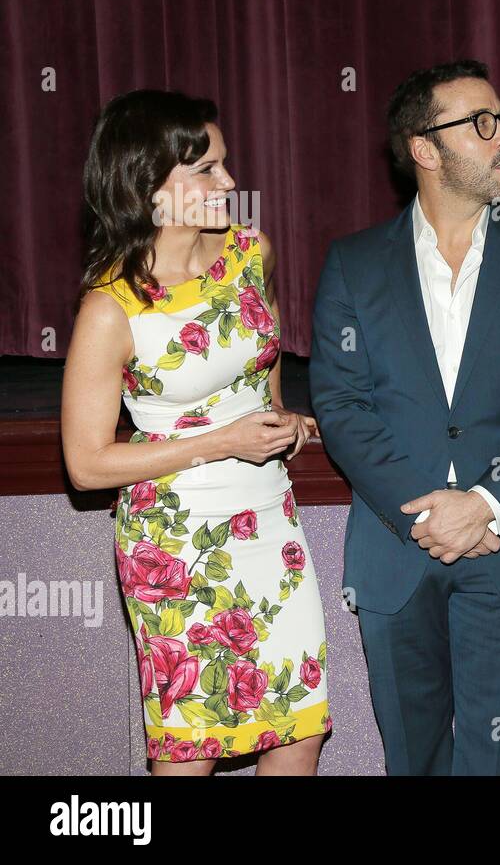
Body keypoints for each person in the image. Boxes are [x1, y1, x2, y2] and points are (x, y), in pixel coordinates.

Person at [310, 60, 500, 776]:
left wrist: (486, 506)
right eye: (482, 123)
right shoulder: (354, 264)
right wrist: (428, 517)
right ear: (425, 149)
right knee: (414, 761)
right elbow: (342, 406)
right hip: (395, 555)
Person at [63, 90, 331, 774]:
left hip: (270, 522)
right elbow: (86, 466)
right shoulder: (110, 307)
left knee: (299, 729)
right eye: (207, 170)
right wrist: (220, 442)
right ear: (147, 184)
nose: (231, 184)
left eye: (225, 164)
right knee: (192, 747)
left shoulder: (250, 252)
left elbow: (262, 369)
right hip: (175, 547)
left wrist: (283, 422)